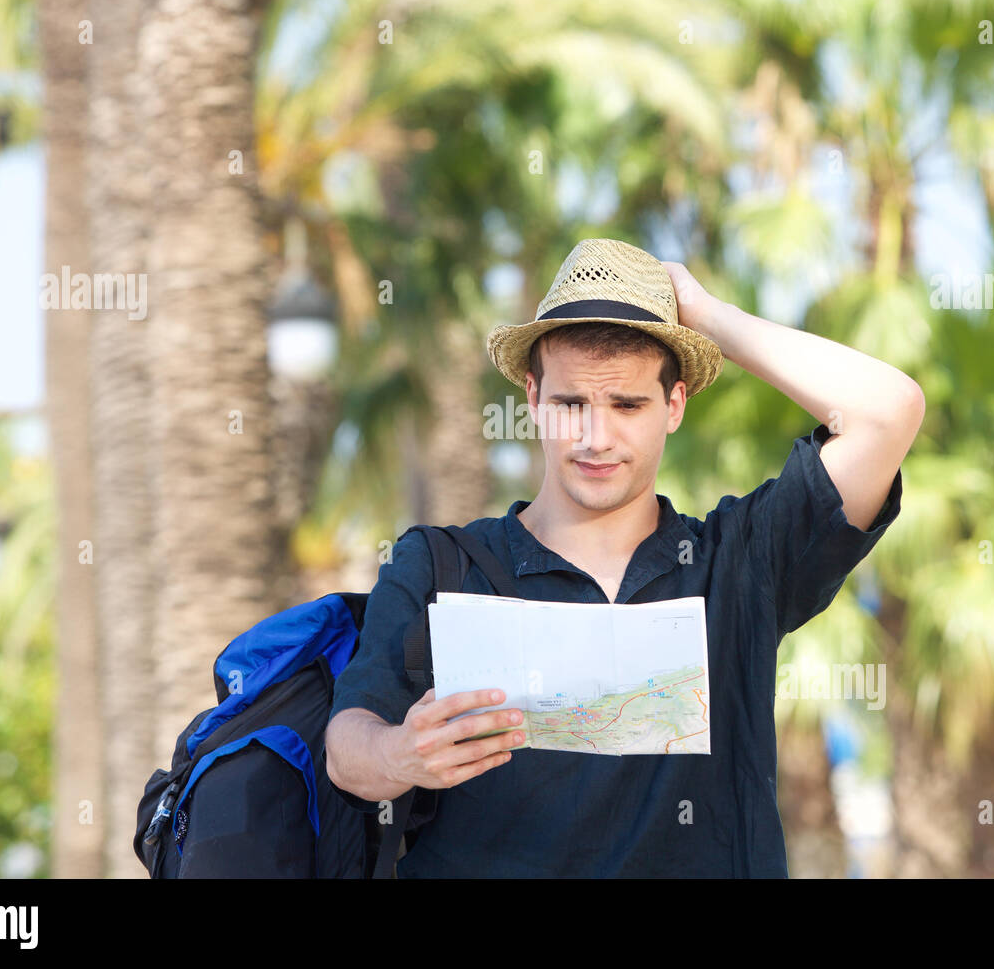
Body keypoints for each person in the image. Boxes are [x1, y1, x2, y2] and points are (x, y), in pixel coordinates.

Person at [324, 237, 922, 877]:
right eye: (570, 403)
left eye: (628, 404)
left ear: (675, 405)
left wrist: (710, 319)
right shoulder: (439, 564)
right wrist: (399, 755)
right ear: (532, 399)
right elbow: (345, 748)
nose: (595, 437)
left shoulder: (740, 563)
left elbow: (888, 413)